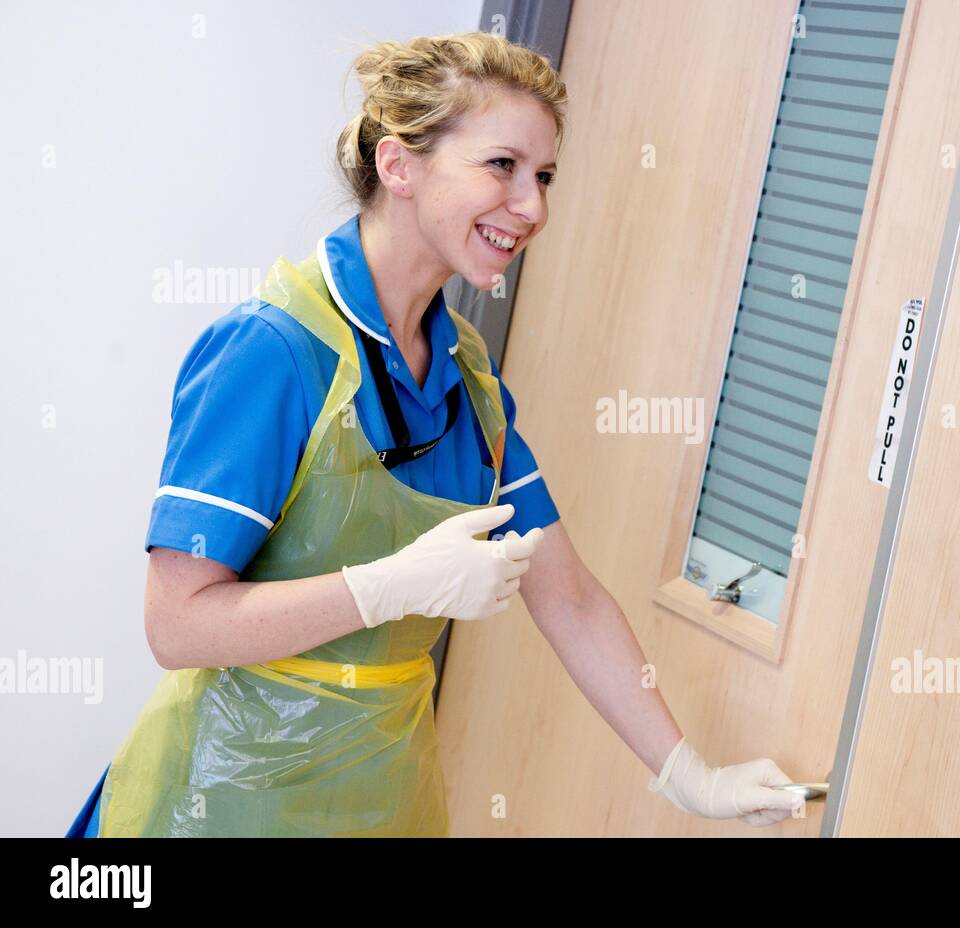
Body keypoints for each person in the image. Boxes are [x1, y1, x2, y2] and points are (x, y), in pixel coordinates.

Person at [65, 31, 801, 838]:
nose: (534, 207)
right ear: (399, 166)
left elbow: (572, 599)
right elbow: (177, 625)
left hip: (382, 800)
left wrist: (690, 775)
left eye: (544, 176)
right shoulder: (275, 352)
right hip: (217, 804)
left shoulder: (469, 378)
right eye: (502, 166)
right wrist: (390, 588)